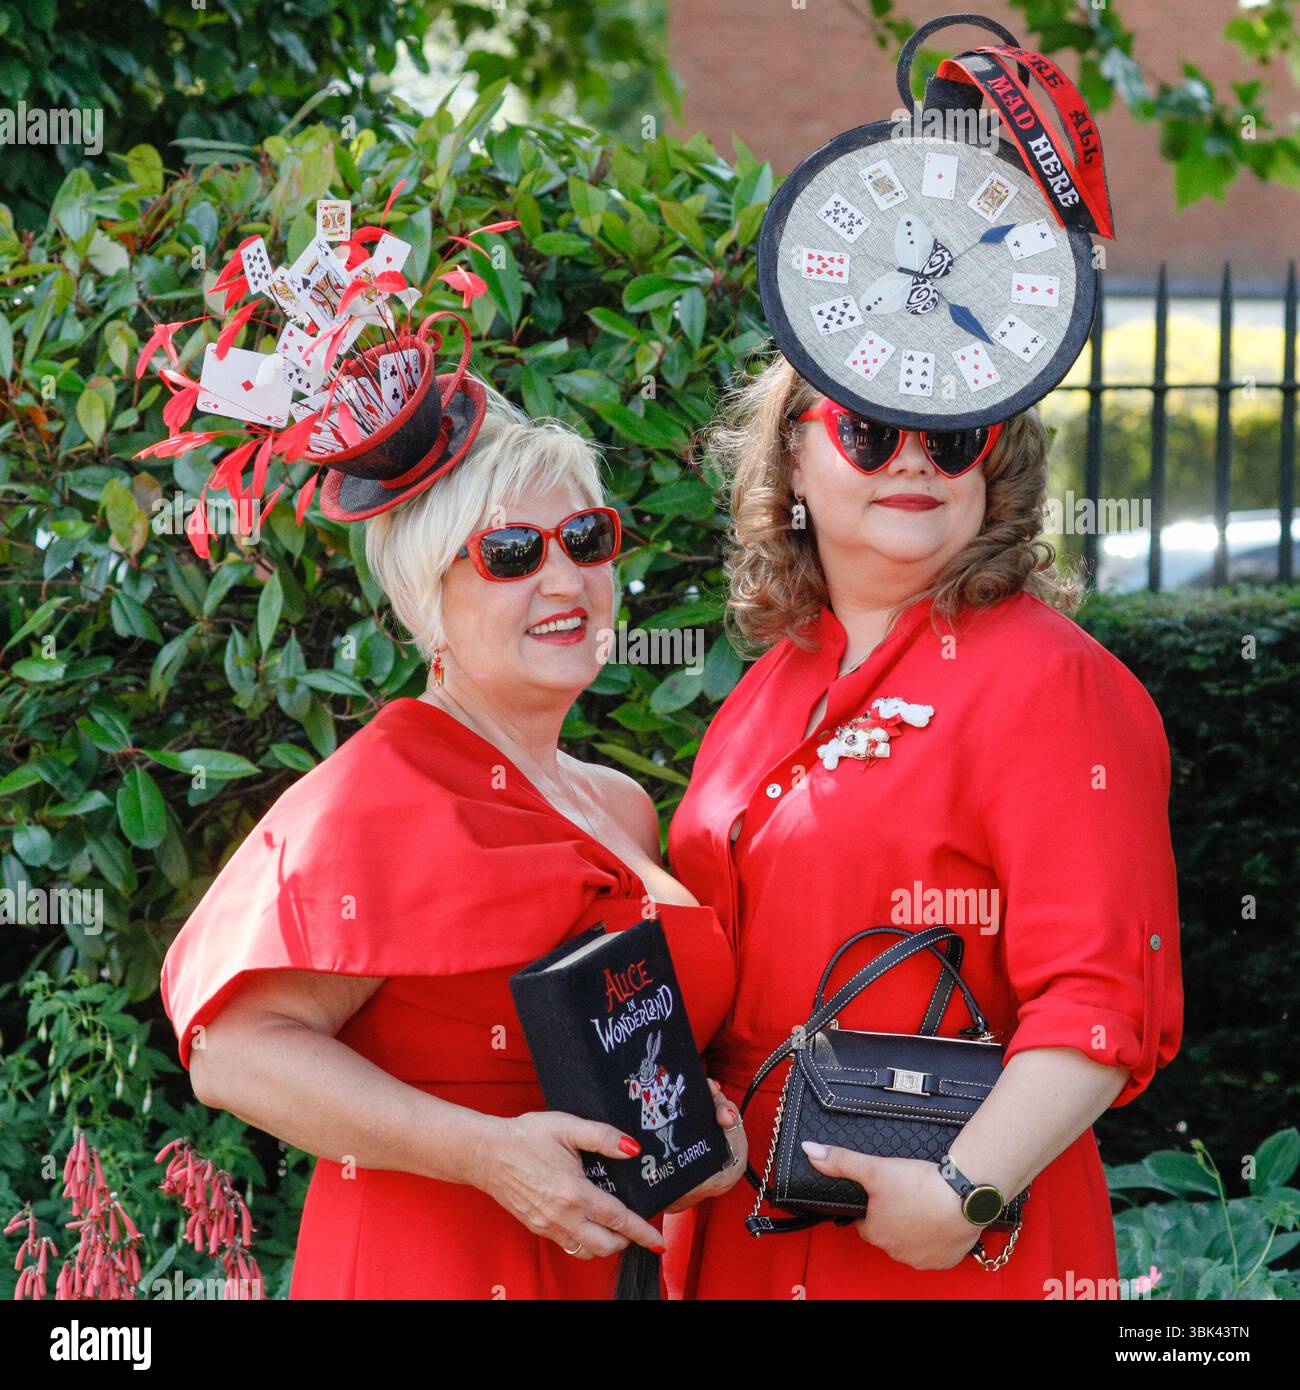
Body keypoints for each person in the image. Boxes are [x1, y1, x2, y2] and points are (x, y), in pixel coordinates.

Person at [160, 368, 747, 1299]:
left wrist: (704, 1129)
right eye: (511, 554)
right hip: (429, 1260)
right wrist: (488, 1154)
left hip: (609, 1269)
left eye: (585, 541)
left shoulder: (623, 805)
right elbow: (233, 1051)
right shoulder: (381, 791)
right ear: (427, 594)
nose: (564, 579)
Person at [664, 355, 1183, 1299]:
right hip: (742, 1225)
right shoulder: (768, 688)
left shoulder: (1052, 684)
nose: (914, 463)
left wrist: (963, 1193)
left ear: (995, 464)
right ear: (794, 455)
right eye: (869, 431)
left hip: (945, 1245)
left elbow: (1102, 999)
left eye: (952, 438)